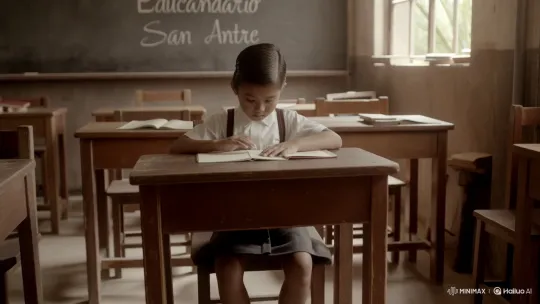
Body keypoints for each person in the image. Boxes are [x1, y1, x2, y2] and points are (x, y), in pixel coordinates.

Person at [170, 43, 342, 304]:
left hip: (286, 218)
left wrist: (294, 144)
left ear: (283, 87)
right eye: (250, 100)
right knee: (227, 270)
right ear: (235, 88)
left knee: (301, 266)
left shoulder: (288, 121)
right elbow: (178, 145)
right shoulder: (222, 121)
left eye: (269, 100)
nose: (260, 108)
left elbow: (334, 139)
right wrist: (216, 145)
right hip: (234, 219)